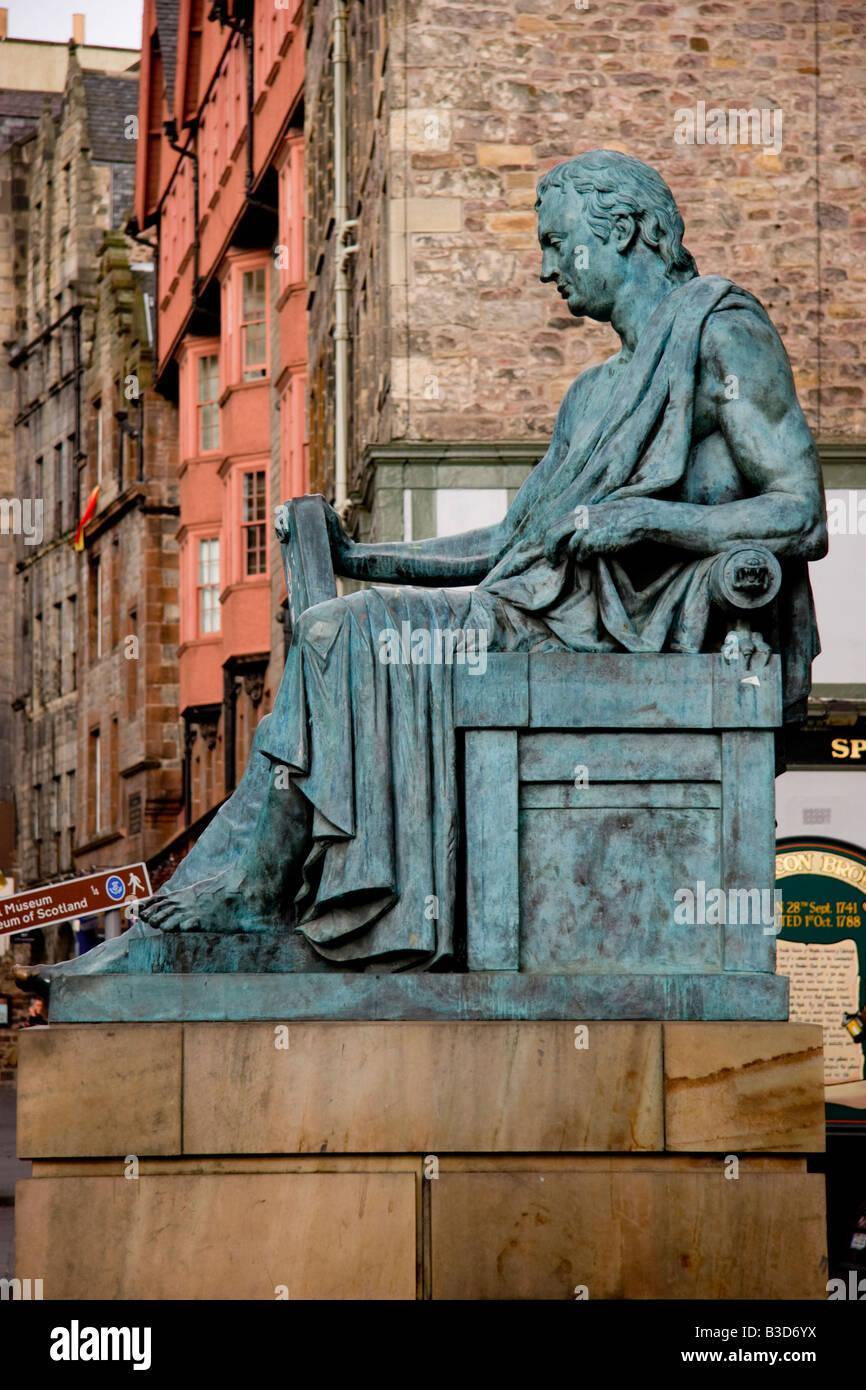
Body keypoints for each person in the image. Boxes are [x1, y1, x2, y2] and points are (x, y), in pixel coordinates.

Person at [25, 149, 829, 979]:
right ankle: (210, 911)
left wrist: (645, 520)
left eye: (557, 244)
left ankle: (255, 893)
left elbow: (799, 510)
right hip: (532, 611)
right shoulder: (591, 394)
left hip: (615, 632)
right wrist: (361, 555)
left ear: (621, 229)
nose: (548, 269)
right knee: (338, 630)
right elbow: (509, 541)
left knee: (344, 635)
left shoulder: (720, 328)